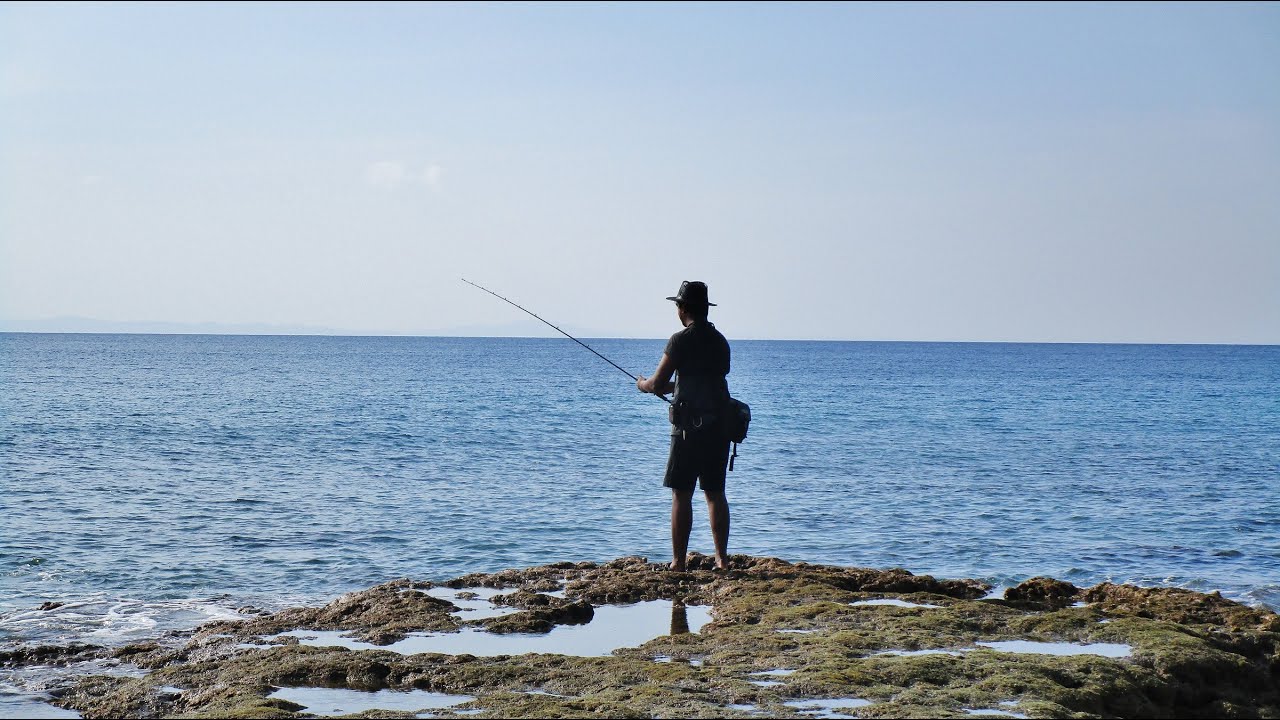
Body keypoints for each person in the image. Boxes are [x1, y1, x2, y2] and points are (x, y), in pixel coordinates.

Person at [636, 281, 732, 572]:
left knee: (681, 493)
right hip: (719, 427)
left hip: (688, 429)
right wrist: (676, 387)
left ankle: (678, 563)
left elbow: (656, 382)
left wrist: (643, 384)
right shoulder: (720, 342)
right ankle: (722, 560)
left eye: (678, 305)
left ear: (683, 308)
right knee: (715, 493)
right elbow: (709, 380)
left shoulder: (680, 340)